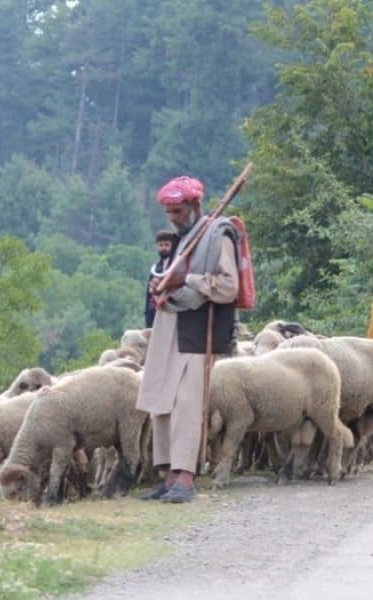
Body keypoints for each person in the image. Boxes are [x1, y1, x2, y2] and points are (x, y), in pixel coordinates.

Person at [138, 175, 239, 503]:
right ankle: (168, 475)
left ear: (195, 206)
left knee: (187, 404)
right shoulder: (183, 239)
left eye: (178, 211)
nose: (173, 218)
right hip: (169, 327)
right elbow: (173, 279)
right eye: (169, 213)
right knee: (162, 399)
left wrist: (188, 279)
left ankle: (186, 476)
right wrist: (162, 285)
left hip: (197, 332)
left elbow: (228, 286)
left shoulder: (216, 236)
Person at [145, 230, 179, 328]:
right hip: (155, 315)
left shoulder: (176, 267)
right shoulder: (155, 269)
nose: (163, 248)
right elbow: (148, 298)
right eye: (161, 245)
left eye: (167, 245)